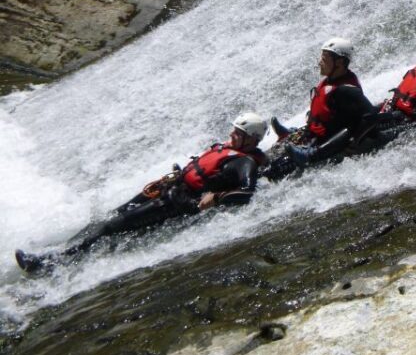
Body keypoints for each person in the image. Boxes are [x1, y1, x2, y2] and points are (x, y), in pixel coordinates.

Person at [15, 112, 268, 272]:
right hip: (168, 188)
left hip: (177, 203)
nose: (232, 134)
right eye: (234, 130)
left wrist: (217, 198)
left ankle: (49, 265)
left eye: (239, 133)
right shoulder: (227, 148)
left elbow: (247, 192)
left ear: (251, 140)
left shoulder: (244, 162)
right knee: (109, 217)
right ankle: (60, 250)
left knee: (109, 227)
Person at [264, 38, 377, 179]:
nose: (319, 62)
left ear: (340, 62)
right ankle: (293, 133)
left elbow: (371, 115)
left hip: (327, 141)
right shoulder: (331, 80)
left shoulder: (346, 90)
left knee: (273, 170)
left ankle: (311, 155)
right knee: (266, 158)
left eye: (324, 59)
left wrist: (356, 141)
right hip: (314, 133)